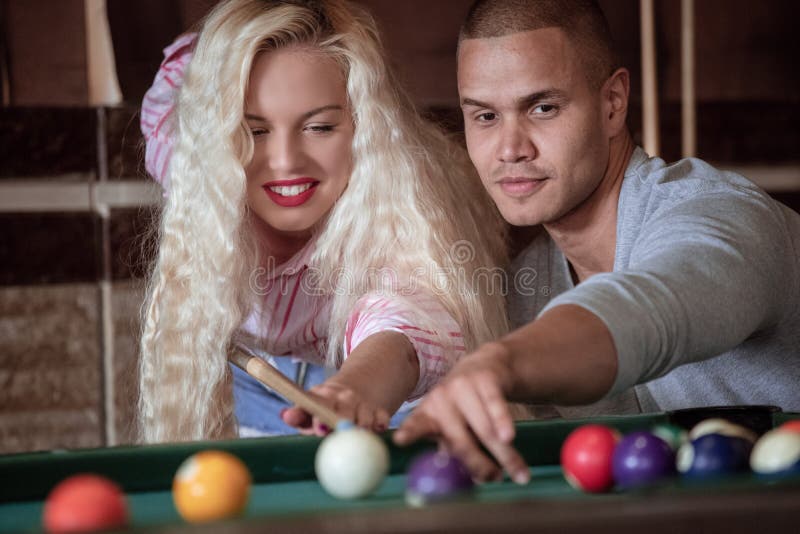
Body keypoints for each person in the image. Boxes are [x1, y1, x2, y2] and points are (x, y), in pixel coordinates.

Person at [394, 0, 800, 484]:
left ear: (613, 103)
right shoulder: (521, 296)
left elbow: (652, 307)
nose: (509, 149)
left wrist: (502, 362)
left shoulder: (723, 216)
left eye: (542, 108)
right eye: (485, 117)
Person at [137, 0, 509, 443]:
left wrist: (354, 389)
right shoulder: (189, 155)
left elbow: (406, 322)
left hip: (372, 387)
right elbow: (176, 84)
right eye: (254, 130)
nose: (286, 162)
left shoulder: (394, 219)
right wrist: (228, 45)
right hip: (250, 384)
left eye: (318, 128)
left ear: (363, 126)